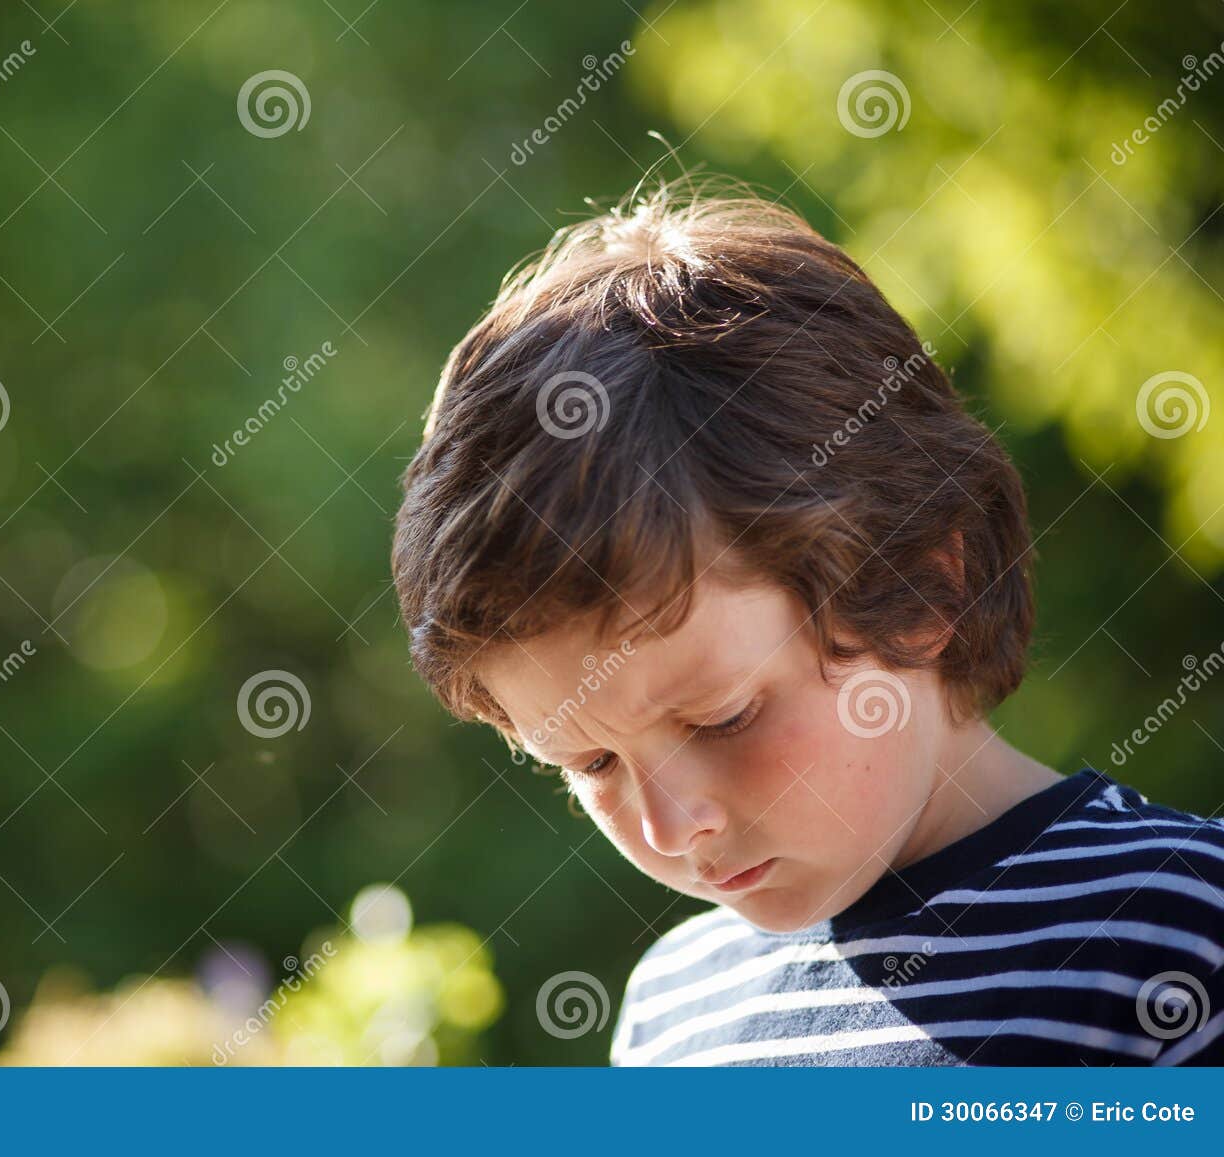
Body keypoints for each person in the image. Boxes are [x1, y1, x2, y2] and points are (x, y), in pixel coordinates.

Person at [389, 175, 1224, 1065]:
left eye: (723, 717)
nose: (673, 828)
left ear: (925, 582)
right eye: (592, 762)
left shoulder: (1180, 933)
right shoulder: (670, 1016)